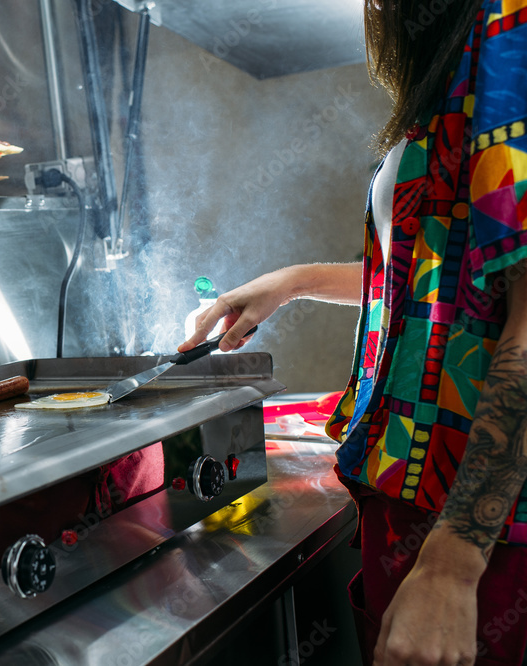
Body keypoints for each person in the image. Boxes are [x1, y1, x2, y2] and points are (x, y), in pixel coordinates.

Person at [180, 1, 527, 664]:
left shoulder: (513, 27)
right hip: (415, 503)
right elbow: (445, 279)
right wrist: (296, 280)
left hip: (482, 526)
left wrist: (456, 560)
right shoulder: (460, 59)